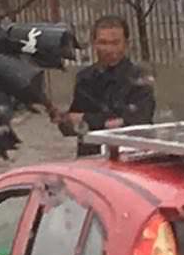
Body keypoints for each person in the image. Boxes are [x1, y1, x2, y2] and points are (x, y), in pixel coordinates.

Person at [56, 15, 155, 156]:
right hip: (91, 157)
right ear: (94, 44)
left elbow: (138, 122)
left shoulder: (139, 77)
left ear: (126, 44)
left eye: (115, 43)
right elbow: (74, 125)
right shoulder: (85, 78)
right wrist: (64, 121)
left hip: (128, 156)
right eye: (103, 42)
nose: (108, 49)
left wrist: (89, 120)